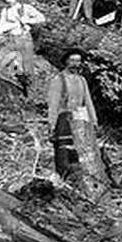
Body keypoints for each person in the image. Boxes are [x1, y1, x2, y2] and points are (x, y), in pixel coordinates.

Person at [47, 48, 103, 186]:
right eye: (72, 60)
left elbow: (88, 102)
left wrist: (94, 121)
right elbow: (53, 104)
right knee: (63, 154)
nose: (75, 64)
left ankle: (80, 184)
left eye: (78, 61)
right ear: (66, 62)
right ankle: (62, 182)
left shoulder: (82, 80)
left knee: (80, 155)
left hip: (80, 120)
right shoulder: (58, 79)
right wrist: (51, 125)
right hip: (64, 120)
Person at [0, 0, 46, 95]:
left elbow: (41, 18)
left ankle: (30, 88)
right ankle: (20, 85)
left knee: (27, 63)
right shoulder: (5, 11)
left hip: (25, 38)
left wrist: (28, 20)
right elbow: (1, 26)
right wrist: (6, 28)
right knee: (15, 64)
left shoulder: (26, 8)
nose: (8, 1)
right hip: (12, 39)